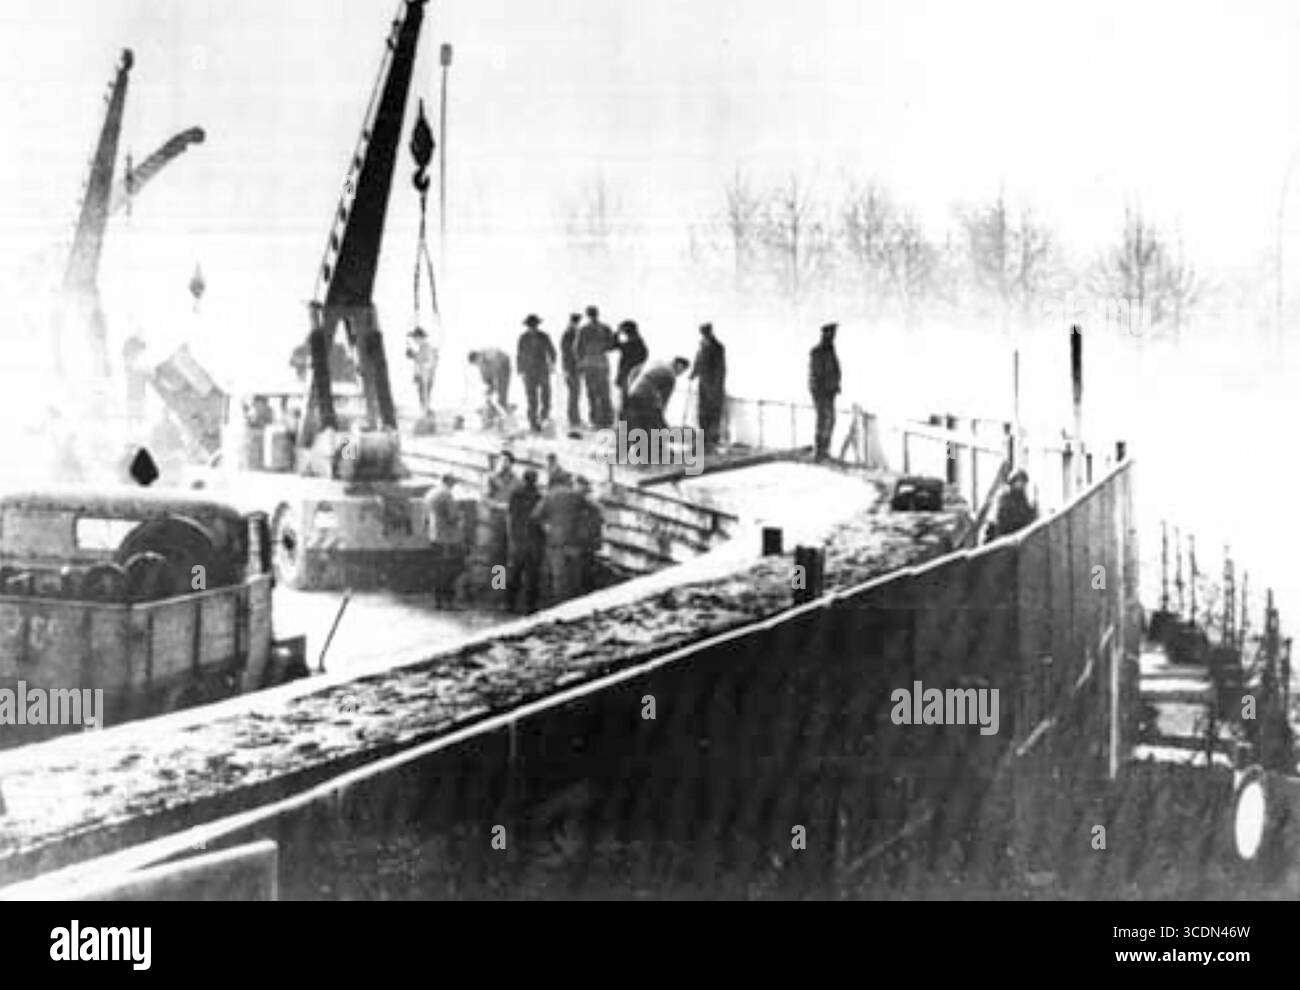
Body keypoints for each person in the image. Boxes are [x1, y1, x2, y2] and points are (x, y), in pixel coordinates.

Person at [531, 473, 587, 603]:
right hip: (574, 540)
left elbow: (535, 516)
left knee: (559, 577)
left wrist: (546, 526)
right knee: (575, 576)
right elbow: (585, 515)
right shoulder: (576, 496)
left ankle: (560, 604)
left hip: (555, 540)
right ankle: (576, 605)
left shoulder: (549, 496)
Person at [505, 469, 545, 613]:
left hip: (518, 539)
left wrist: (511, 536)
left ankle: (509, 602)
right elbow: (540, 519)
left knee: (513, 571)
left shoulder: (515, 494)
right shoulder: (539, 496)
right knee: (532, 574)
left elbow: (510, 516)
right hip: (533, 540)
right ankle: (530, 605)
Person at [424, 474, 465, 608]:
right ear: (449, 481)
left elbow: (426, 516)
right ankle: (449, 601)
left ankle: (438, 600)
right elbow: (452, 516)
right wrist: (461, 515)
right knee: (451, 569)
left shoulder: (430, 493)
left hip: (434, 535)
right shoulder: (447, 495)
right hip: (449, 538)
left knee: (439, 569)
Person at [575, 305, 616, 428]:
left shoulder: (583, 330)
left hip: (589, 365)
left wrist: (581, 362)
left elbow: (577, 349)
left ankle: (595, 420)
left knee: (592, 393)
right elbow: (611, 346)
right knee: (604, 392)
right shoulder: (605, 328)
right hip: (601, 364)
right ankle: (606, 420)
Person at [623, 357, 690, 433]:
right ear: (679, 365)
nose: (681, 373)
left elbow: (635, 372)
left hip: (634, 394)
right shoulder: (670, 374)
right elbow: (664, 398)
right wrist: (661, 411)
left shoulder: (659, 365)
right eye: (683, 370)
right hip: (646, 398)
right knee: (656, 425)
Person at [516, 314, 557, 433]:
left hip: (540, 370)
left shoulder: (543, 337)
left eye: (534, 325)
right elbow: (520, 355)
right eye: (531, 325)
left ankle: (543, 418)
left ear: (537, 325)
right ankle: (534, 422)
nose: (532, 327)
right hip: (531, 371)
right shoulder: (524, 338)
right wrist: (521, 370)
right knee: (532, 398)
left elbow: (552, 352)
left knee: (545, 396)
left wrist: (552, 364)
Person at [808, 322, 842, 462]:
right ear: (825, 334)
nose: (833, 336)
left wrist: (835, 386)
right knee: (823, 420)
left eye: (834, 333)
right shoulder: (817, 351)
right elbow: (816, 374)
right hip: (821, 393)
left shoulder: (830, 350)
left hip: (830, 392)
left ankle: (825, 450)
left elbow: (834, 370)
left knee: (830, 420)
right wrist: (821, 391)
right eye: (831, 333)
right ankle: (819, 452)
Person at [691, 322, 726, 449]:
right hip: (704, 383)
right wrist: (694, 373)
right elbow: (699, 361)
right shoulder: (703, 345)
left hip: (714, 384)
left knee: (713, 411)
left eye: (705, 332)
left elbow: (720, 368)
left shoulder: (718, 347)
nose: (704, 335)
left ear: (710, 332)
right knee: (702, 410)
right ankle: (704, 437)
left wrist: (717, 385)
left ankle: (712, 438)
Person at [988, 468, 1038, 540]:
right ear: (1013, 482)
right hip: (1006, 535)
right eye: (1018, 481)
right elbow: (1002, 519)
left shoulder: (1023, 499)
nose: (1021, 485)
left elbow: (1028, 518)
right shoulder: (1005, 497)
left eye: (1023, 482)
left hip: (1020, 536)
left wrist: (1034, 507)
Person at [468, 348, 512, 426]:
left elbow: (503, 359)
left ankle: (509, 422)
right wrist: (489, 388)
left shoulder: (489, 354)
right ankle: (490, 419)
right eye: (475, 364)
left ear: (477, 356)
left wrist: (496, 380)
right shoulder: (481, 365)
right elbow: (485, 377)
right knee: (488, 398)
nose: (476, 364)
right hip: (494, 377)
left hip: (503, 371)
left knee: (501, 400)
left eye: (476, 362)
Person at [574, 475, 603, 593]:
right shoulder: (592, 502)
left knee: (585, 567)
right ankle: (588, 588)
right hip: (587, 540)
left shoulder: (587, 502)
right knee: (587, 566)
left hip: (585, 540)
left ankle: (586, 589)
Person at [613, 320, 649, 415]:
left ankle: (624, 422)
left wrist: (616, 334)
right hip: (632, 375)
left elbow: (614, 345)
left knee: (625, 402)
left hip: (628, 375)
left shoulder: (633, 342)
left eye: (623, 330)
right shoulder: (638, 342)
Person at [405, 326, 438, 414]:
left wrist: (415, 357)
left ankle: (426, 414)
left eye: (415, 338)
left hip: (426, 377)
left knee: (424, 397)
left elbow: (428, 362)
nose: (414, 340)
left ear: (420, 337)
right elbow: (421, 360)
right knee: (423, 397)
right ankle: (425, 413)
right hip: (423, 376)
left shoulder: (426, 347)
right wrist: (414, 356)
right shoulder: (422, 347)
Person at [560, 313, 583, 428]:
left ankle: (574, 417)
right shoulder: (571, 333)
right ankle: (574, 418)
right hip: (572, 367)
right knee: (574, 392)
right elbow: (567, 352)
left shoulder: (570, 332)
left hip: (571, 367)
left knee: (574, 393)